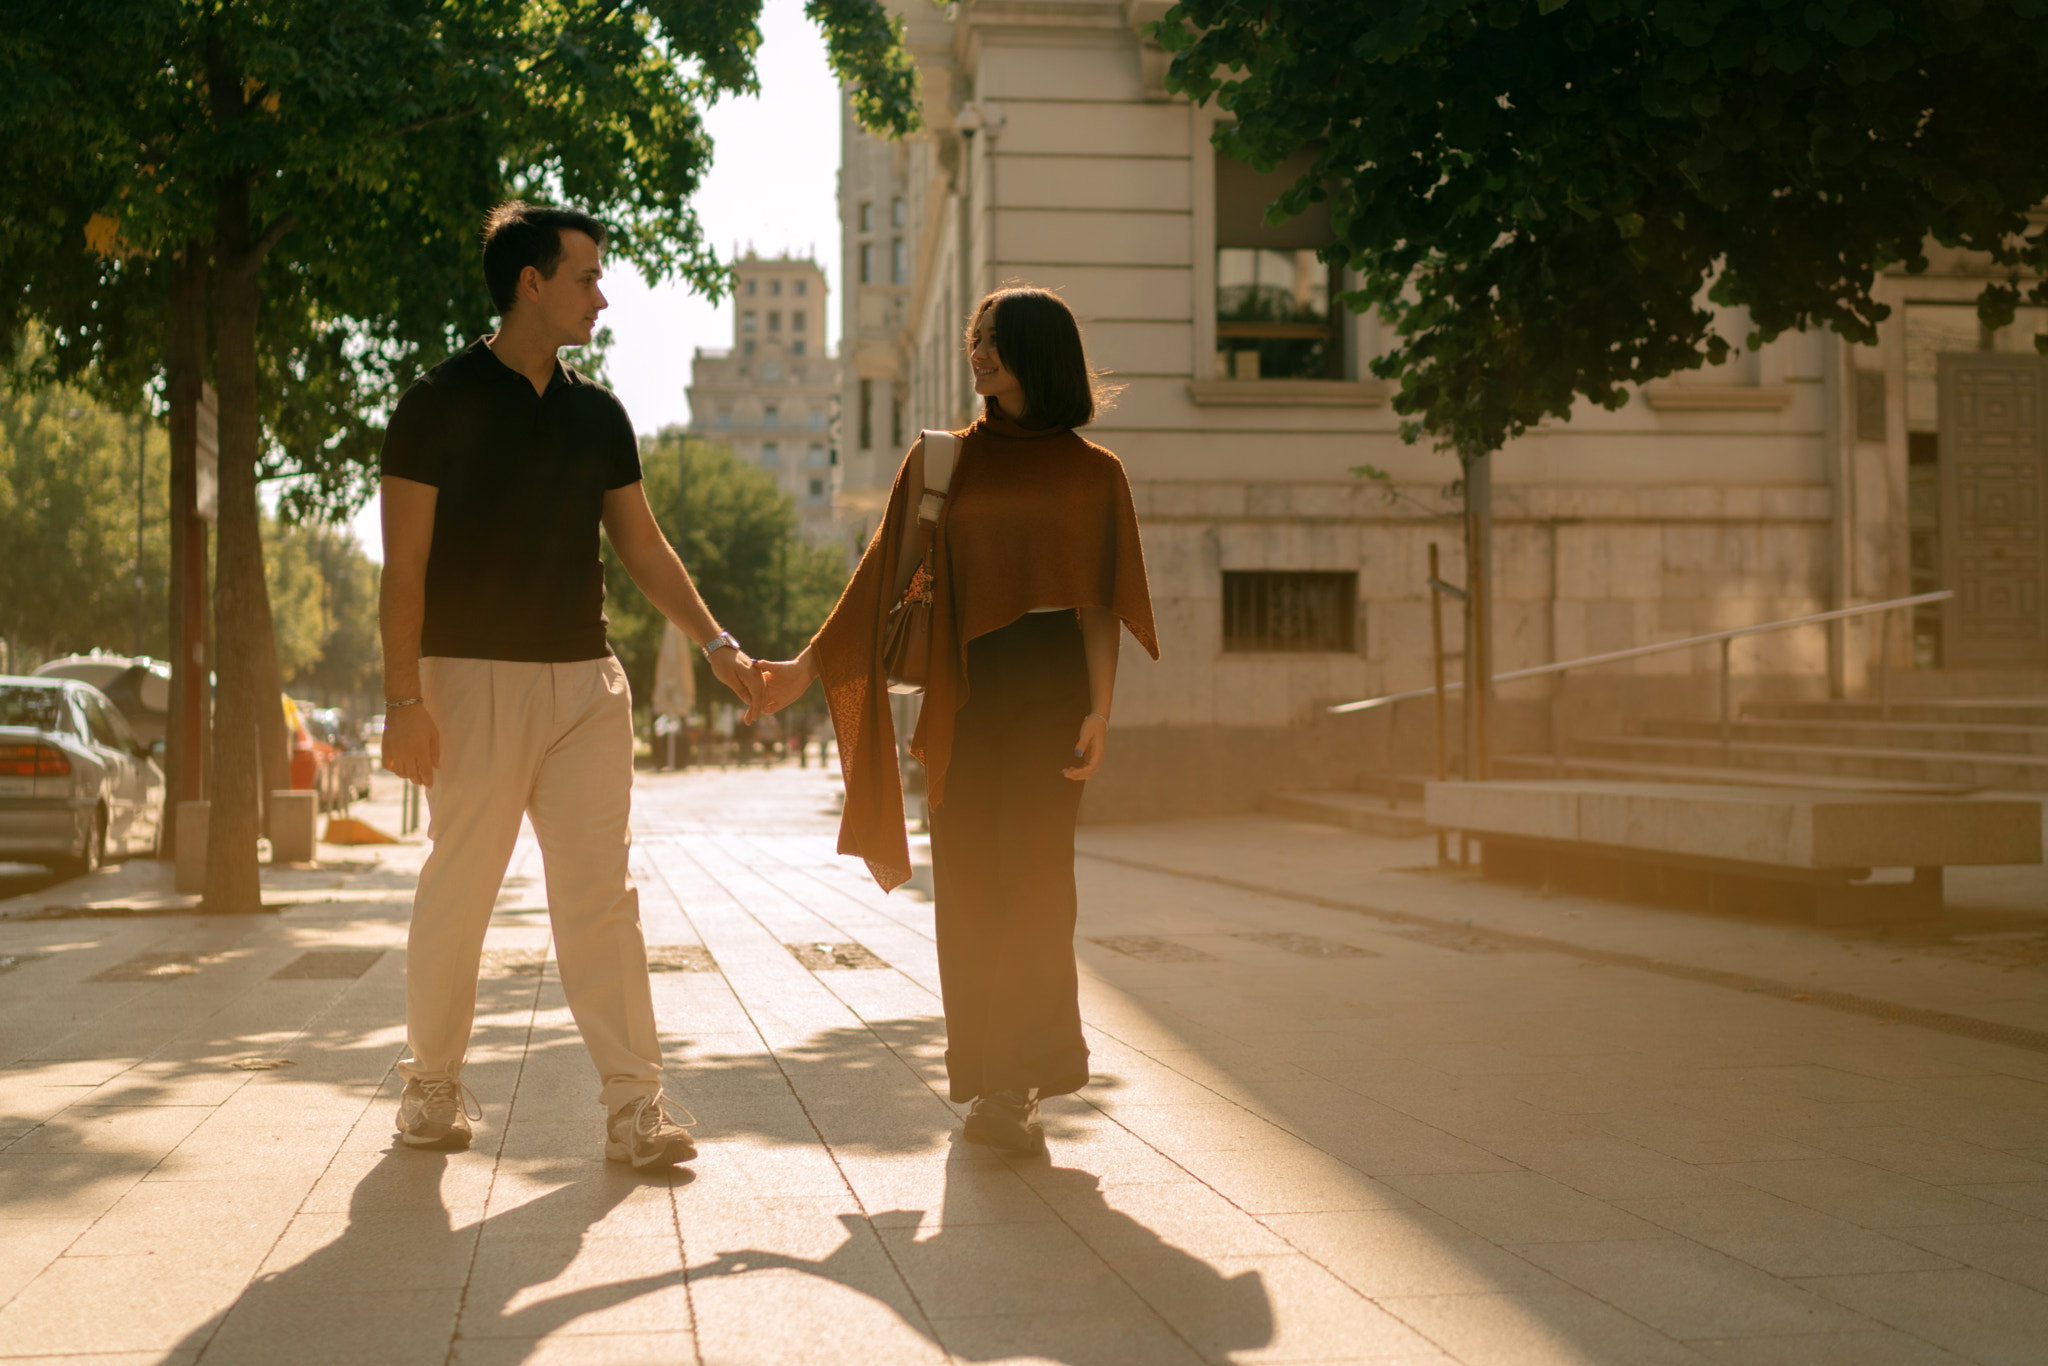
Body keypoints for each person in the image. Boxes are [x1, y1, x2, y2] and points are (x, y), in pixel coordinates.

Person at [378, 201, 765, 1165]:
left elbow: (641, 544)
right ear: (531, 283)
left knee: (600, 898)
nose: (603, 295)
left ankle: (635, 1107)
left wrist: (714, 639)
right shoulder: (435, 402)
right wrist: (401, 700)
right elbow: (404, 568)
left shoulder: (600, 414)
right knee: (461, 888)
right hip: (469, 681)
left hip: (586, 683)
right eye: (587, 276)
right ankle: (431, 1087)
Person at [755, 287, 1157, 1154]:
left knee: (1040, 892)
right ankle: (994, 1085)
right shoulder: (944, 462)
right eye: (974, 336)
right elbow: (875, 580)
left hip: (1053, 700)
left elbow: (1099, 606)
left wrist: (1101, 710)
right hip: (964, 700)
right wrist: (802, 669)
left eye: (994, 338)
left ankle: (1034, 1072)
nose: (977, 350)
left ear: (1036, 351)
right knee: (972, 891)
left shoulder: (1096, 475)